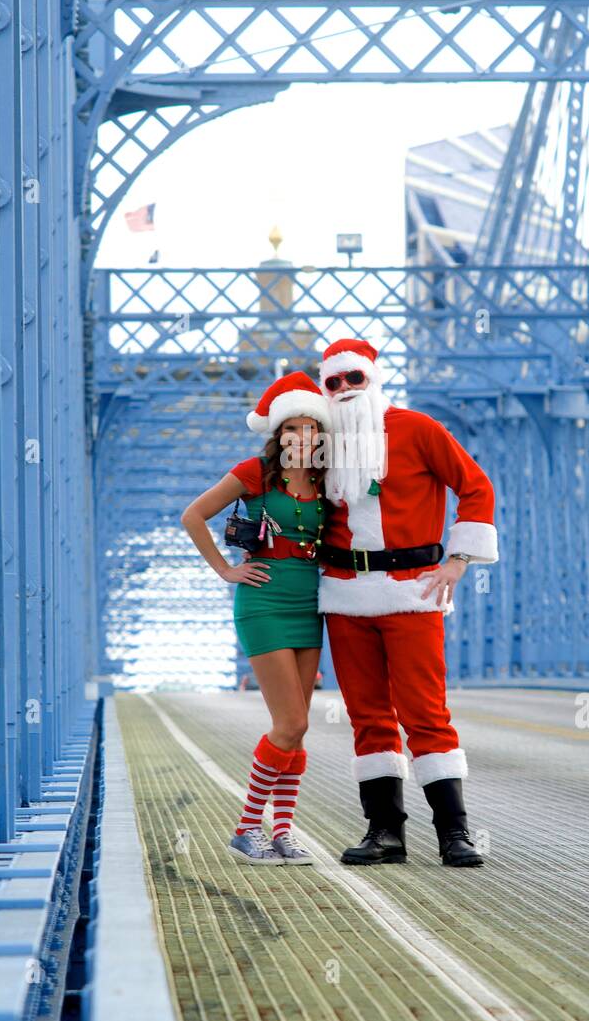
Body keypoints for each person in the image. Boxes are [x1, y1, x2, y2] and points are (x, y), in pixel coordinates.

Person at [315, 338, 499, 867]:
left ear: (372, 379)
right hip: (346, 595)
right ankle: (385, 833)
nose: (346, 390)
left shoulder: (419, 430)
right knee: (368, 717)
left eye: (355, 379)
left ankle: (454, 833)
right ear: (324, 390)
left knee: (425, 714)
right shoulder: (320, 443)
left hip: (412, 593)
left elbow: (476, 486)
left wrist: (459, 559)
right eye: (334, 383)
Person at [180, 371, 331, 866]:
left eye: (312, 428)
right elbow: (193, 515)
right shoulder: (254, 474)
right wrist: (226, 570)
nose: (302, 437)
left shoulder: (331, 479)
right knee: (287, 722)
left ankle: (283, 832)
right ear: (278, 434)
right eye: (293, 428)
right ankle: (248, 829)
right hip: (264, 603)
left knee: (299, 727)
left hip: (311, 605)